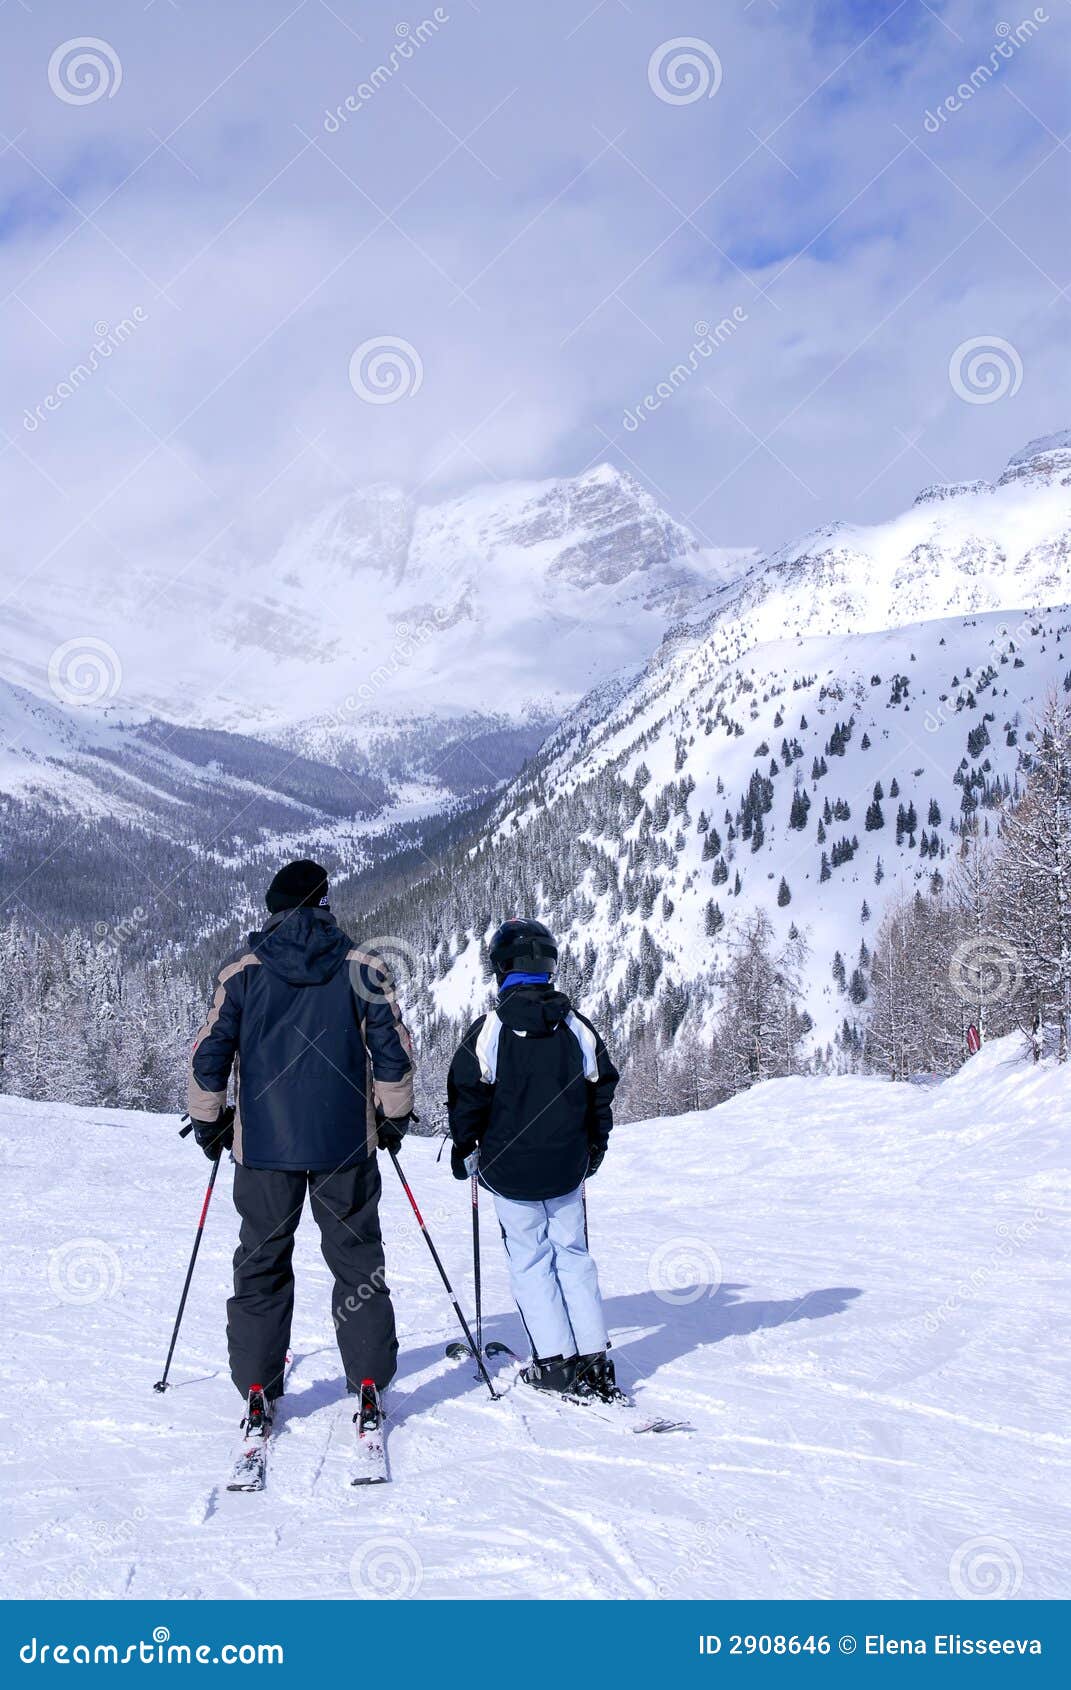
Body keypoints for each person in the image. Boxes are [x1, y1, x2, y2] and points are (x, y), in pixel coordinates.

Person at [186, 859, 415, 1429]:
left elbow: (208, 1055)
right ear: (324, 904)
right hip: (344, 1145)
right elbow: (393, 1053)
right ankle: (367, 1378)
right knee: (357, 1263)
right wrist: (392, 1116)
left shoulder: (242, 972)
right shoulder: (362, 967)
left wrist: (210, 1121)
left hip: (263, 1148)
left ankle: (258, 1387)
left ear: (273, 909)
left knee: (261, 1263)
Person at [446, 918, 622, 1403]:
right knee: (574, 1257)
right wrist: (595, 1146)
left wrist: (465, 1149)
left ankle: (555, 1364)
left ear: (502, 969)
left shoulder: (491, 1030)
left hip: (509, 1171)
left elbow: (467, 1096)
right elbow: (600, 1089)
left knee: (531, 1261)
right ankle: (595, 1360)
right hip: (567, 1169)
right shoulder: (576, 1026)